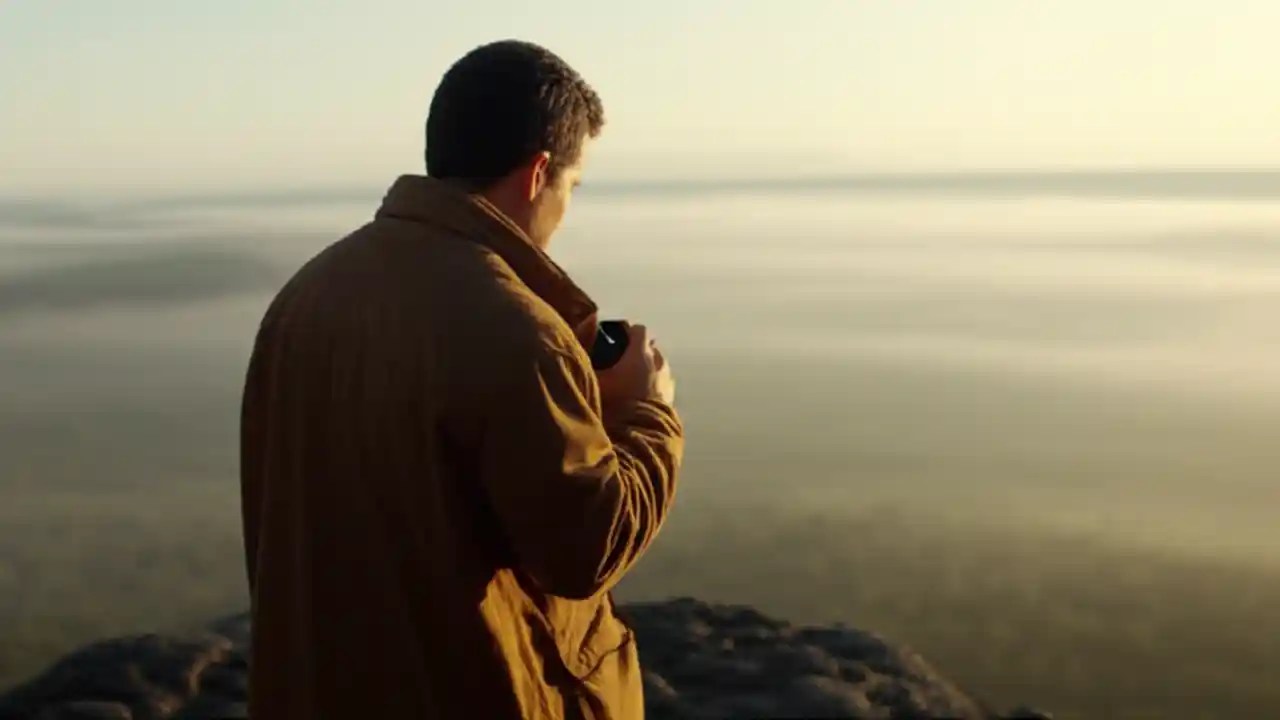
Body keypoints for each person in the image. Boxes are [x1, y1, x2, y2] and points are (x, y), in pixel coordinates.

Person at [239, 40, 684, 720]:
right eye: (572, 186)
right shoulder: (517, 328)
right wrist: (645, 414)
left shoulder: (306, 295)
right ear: (538, 172)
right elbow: (583, 549)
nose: (566, 208)